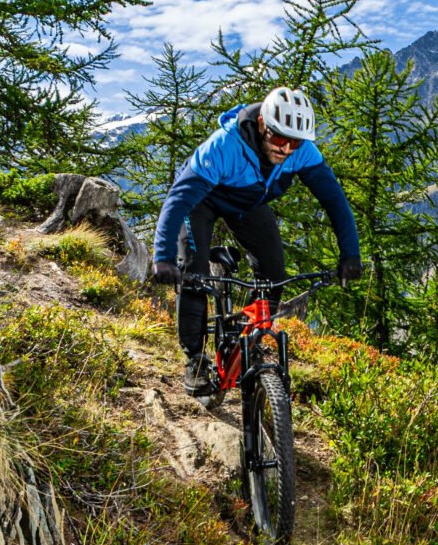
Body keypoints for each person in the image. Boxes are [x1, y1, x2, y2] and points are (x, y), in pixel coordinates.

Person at [150, 86, 362, 395]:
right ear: (262, 124)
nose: (286, 149)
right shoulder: (224, 145)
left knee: (274, 274)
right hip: (201, 200)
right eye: (279, 138)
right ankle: (195, 359)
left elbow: (335, 202)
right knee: (194, 273)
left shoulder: (303, 151)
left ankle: (245, 340)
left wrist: (350, 254)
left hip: (247, 204)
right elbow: (179, 199)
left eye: (295, 142)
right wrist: (163, 256)